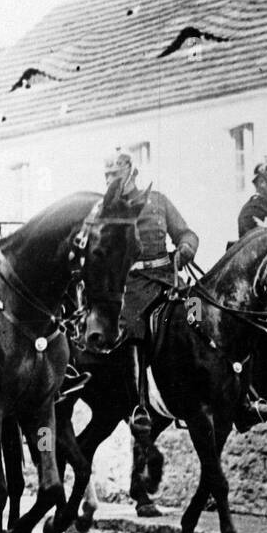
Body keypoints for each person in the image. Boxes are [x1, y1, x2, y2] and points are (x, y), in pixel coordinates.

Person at [103, 152, 198, 435]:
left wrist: (186, 248)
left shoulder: (158, 201)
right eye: (107, 177)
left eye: (115, 176)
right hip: (132, 285)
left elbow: (186, 232)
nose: (110, 182)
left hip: (169, 277)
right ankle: (139, 405)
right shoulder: (108, 208)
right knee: (133, 328)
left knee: (198, 309)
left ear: (131, 173)